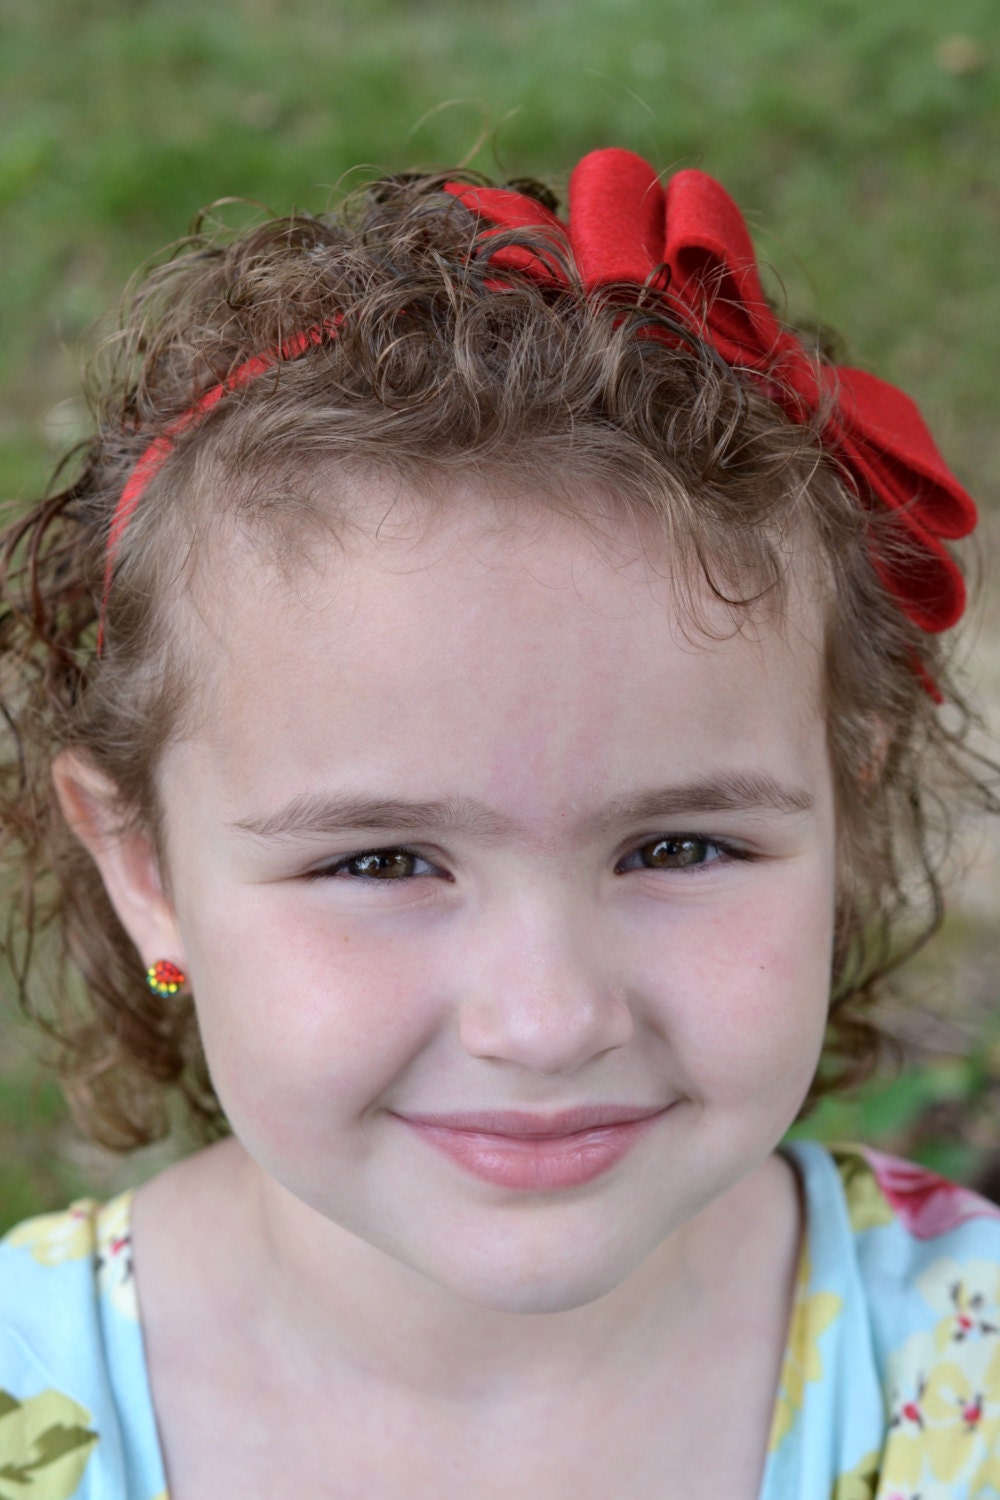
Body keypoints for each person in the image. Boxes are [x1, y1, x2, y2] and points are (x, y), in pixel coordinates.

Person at [0, 146, 997, 1500]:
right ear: (143, 867)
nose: (547, 1020)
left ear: (847, 803)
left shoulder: (968, 1369)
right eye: (381, 860)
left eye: (680, 847)